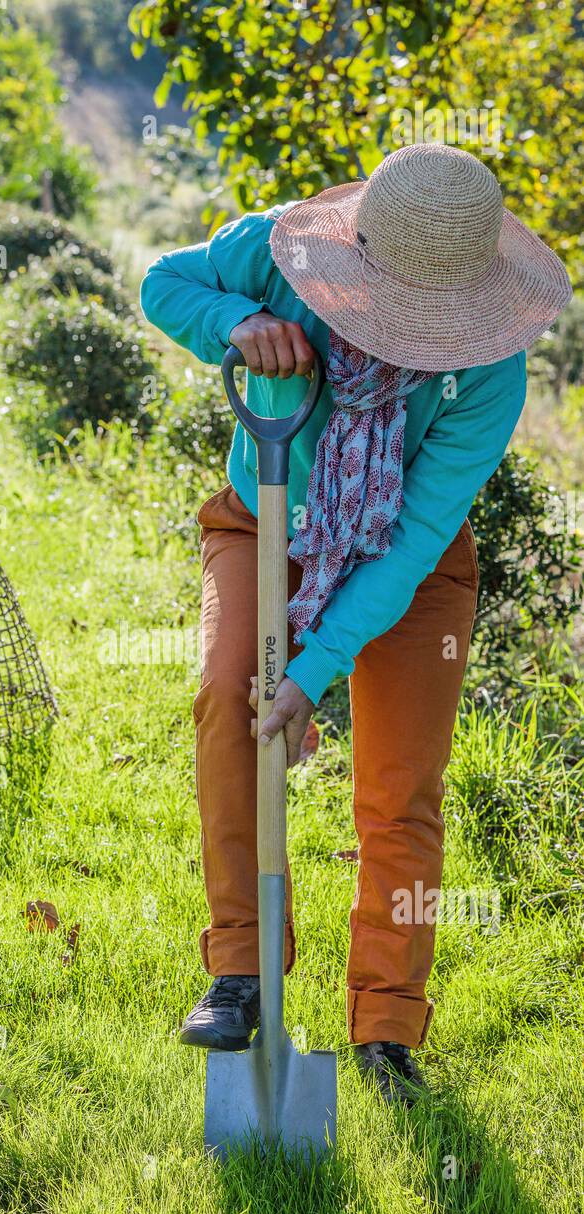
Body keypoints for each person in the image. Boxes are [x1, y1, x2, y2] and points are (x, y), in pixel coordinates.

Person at [140, 143, 571, 1104]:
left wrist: (314, 671)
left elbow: (413, 540)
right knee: (225, 697)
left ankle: (384, 1030)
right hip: (266, 524)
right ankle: (242, 968)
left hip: (409, 574)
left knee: (399, 785)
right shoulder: (279, 254)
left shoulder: (491, 370)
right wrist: (236, 322)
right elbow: (163, 282)